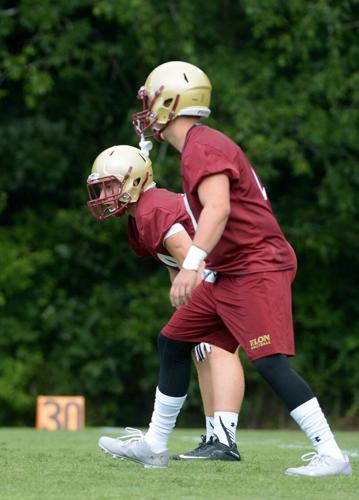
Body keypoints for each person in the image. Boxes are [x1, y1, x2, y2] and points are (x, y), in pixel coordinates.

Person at [99, 61, 351, 477]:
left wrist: (191, 265)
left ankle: (331, 454)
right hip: (230, 270)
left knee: (270, 362)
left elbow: (218, 209)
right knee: (173, 341)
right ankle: (155, 445)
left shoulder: (203, 146)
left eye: (150, 102)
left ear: (171, 102)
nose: (146, 113)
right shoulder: (197, 147)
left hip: (256, 266)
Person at [86, 145, 245, 461]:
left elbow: (194, 262)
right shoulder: (140, 216)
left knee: (216, 348)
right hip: (219, 271)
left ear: (135, 181)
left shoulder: (152, 209)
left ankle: (225, 442)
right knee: (200, 349)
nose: (104, 193)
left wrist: (202, 314)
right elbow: (174, 262)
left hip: (233, 270)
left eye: (110, 184)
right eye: (100, 187)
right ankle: (216, 438)